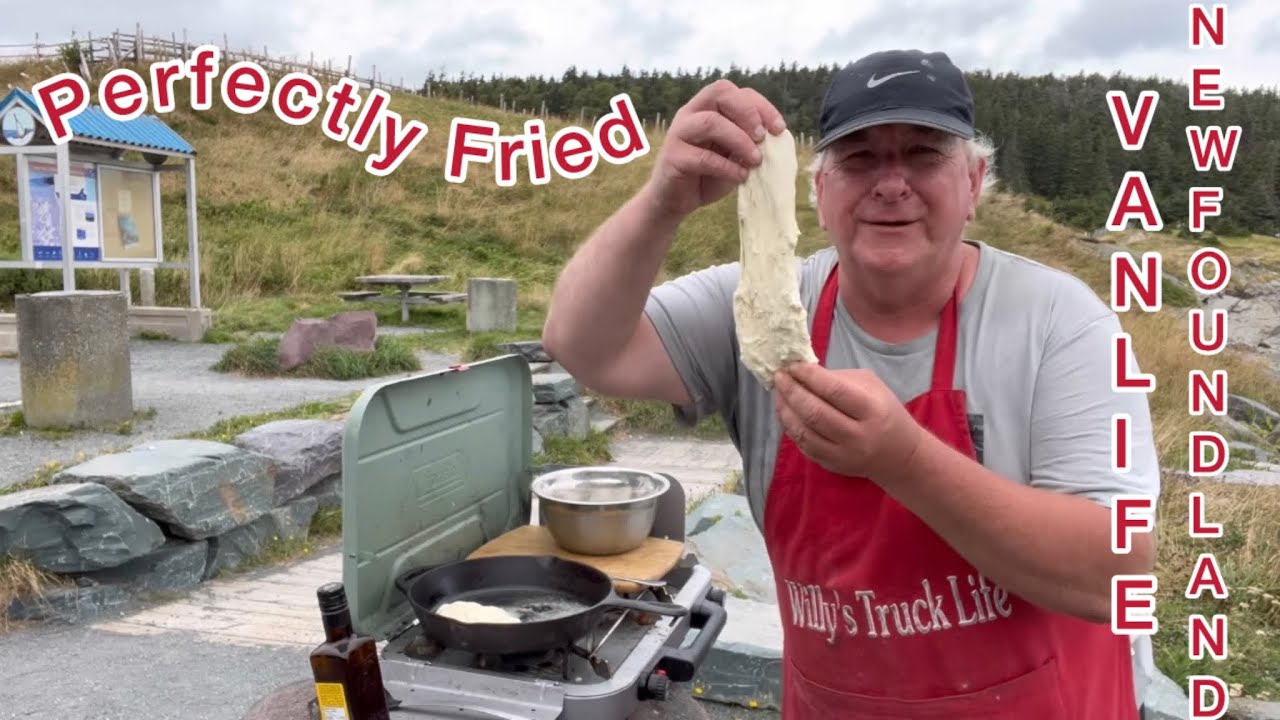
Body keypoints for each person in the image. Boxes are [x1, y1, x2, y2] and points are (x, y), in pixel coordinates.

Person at [542, 48, 1161, 719]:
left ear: (974, 182)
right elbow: (582, 346)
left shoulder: (1061, 323)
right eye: (859, 158)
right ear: (818, 191)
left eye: (923, 154)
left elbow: (1119, 575)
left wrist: (905, 461)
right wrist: (662, 202)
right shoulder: (764, 305)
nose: (891, 183)